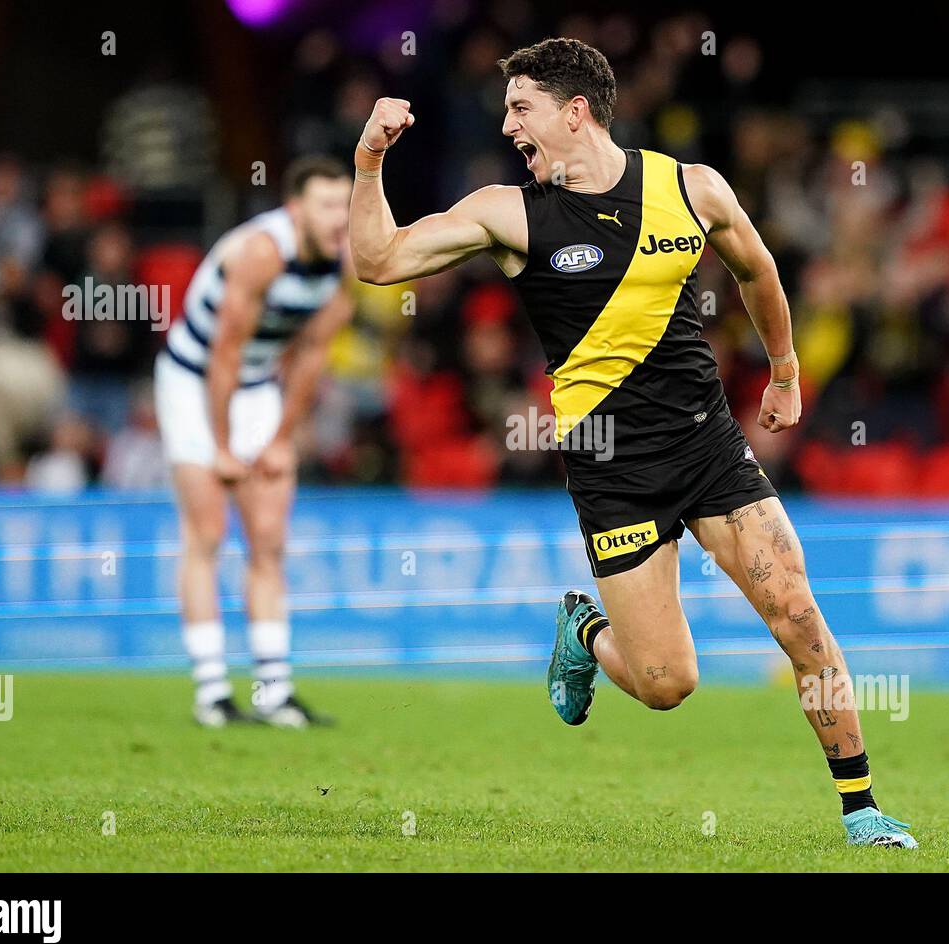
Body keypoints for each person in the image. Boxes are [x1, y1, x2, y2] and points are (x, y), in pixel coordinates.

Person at [348, 39, 917, 847]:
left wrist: (784, 372)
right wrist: (370, 157)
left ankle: (862, 811)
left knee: (797, 612)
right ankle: (583, 629)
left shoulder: (690, 189)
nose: (509, 127)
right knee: (665, 684)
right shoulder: (510, 214)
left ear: (574, 112)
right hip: (612, 470)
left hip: (709, 446)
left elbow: (757, 271)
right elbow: (377, 261)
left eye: (522, 109)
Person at [156, 156, 353, 728]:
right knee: (208, 533)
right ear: (295, 209)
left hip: (258, 384)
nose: (338, 217)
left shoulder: (344, 262)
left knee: (268, 538)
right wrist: (223, 446)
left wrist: (280, 438)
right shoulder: (262, 253)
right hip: (195, 383)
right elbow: (224, 352)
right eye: (325, 205)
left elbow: (313, 354)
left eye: (344, 204)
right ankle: (212, 693)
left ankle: (273, 693)